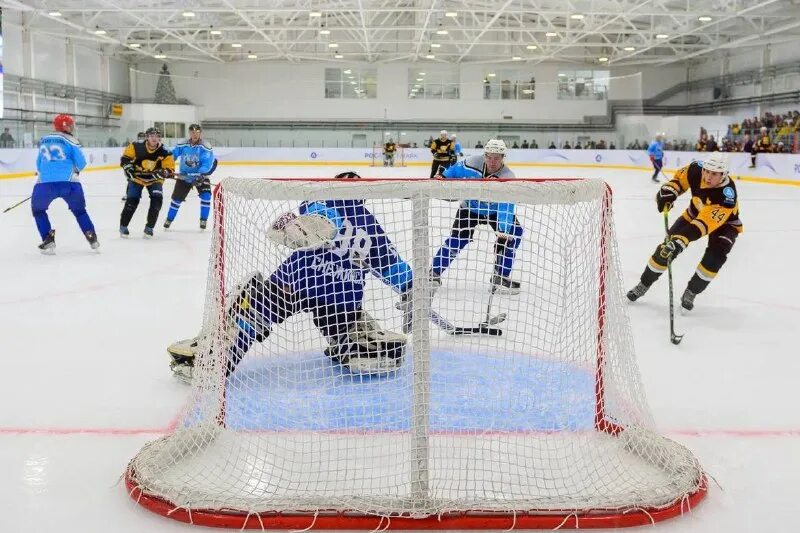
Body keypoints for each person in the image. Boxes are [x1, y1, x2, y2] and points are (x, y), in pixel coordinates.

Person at [167, 171, 410, 381]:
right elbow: (392, 267)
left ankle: (216, 360)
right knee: (343, 321)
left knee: (253, 310)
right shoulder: (372, 227)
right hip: (342, 296)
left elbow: (314, 216)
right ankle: (359, 347)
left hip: (296, 282)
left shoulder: (321, 200)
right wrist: (411, 286)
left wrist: (304, 225)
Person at [627, 153, 742, 311]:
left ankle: (692, 291)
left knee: (716, 256)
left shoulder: (726, 196)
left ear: (723, 175)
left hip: (725, 225)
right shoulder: (695, 169)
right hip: (694, 214)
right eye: (707, 171)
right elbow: (678, 182)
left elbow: (703, 224)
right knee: (666, 249)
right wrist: (669, 192)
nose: (708, 177)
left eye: (714, 174)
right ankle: (643, 284)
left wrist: (681, 240)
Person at [430, 139, 523, 294]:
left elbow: (506, 207)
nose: (492, 161)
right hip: (470, 207)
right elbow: (455, 171)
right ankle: (434, 273)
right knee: (457, 239)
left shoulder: (508, 177)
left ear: (503, 158)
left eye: (497, 158)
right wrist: (443, 176)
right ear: (484, 155)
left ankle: (500, 276)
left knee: (514, 234)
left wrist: (503, 232)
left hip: (494, 211)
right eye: (489, 157)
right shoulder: (472, 163)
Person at [31, 114, 99, 254]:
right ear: (65, 126)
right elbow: (81, 163)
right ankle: (91, 237)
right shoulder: (71, 140)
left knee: (38, 210)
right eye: (70, 124)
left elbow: (38, 164)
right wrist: (75, 170)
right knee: (80, 211)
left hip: (44, 184)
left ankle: (48, 239)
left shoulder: (44, 140)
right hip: (70, 183)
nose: (72, 127)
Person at [119, 127, 175, 238]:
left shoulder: (165, 151)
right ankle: (123, 226)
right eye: (151, 136)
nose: (154, 138)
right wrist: (128, 167)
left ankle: (149, 228)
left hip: (154, 179)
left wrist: (164, 172)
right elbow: (125, 158)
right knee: (132, 201)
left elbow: (170, 169)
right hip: (137, 178)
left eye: (157, 136)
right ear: (147, 137)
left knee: (157, 200)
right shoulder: (136, 146)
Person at [164, 124, 217, 230]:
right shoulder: (183, 144)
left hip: (200, 176)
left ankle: (203, 220)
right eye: (192, 132)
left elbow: (206, 162)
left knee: (206, 196)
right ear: (189, 133)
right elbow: (172, 156)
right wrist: (167, 168)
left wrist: (201, 174)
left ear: (200, 133)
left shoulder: (205, 146)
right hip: (184, 176)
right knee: (176, 200)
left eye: (197, 132)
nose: (195, 134)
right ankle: (169, 219)